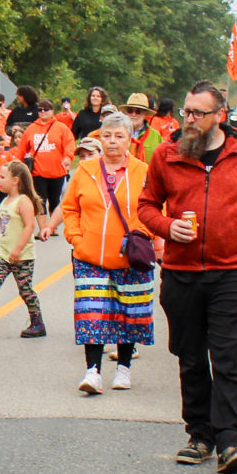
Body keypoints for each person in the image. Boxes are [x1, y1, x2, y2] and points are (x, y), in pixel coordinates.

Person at [137, 82, 237, 474]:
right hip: (182, 275)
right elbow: (146, 206)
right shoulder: (167, 155)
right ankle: (199, 435)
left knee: (229, 357)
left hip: (231, 273)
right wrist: (167, 228)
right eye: (186, 111)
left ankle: (231, 440)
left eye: (197, 114)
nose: (189, 120)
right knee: (190, 357)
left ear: (220, 115)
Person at [64, 109, 158, 393]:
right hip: (89, 257)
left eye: (119, 136)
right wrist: (76, 238)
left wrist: (144, 234)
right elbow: (70, 208)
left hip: (130, 257)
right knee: (91, 313)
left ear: (130, 139)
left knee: (127, 312)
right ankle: (92, 371)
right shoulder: (85, 171)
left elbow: (154, 208)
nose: (113, 141)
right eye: (107, 135)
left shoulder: (143, 172)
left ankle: (124, 369)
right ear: (99, 138)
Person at [0, 161, 46, 337]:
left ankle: (37, 322)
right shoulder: (5, 201)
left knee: (25, 290)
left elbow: (29, 227)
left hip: (22, 256)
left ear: (15, 180)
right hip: (3, 255)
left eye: (2, 177)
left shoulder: (23, 201)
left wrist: (18, 249)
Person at [20, 101, 75, 215]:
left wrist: (68, 157)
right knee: (40, 200)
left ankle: (52, 226)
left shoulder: (61, 127)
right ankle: (42, 228)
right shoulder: (31, 129)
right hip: (38, 172)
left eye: (46, 109)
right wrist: (18, 165)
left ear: (52, 111)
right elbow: (21, 149)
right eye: (40, 110)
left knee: (54, 200)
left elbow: (70, 144)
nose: (43, 112)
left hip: (57, 172)